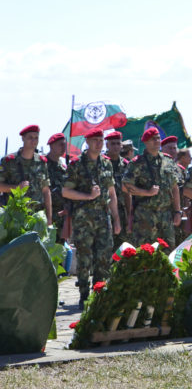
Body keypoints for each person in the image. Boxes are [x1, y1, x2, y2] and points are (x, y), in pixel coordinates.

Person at [62, 129, 121, 308]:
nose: (98, 143)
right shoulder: (77, 164)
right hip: (83, 218)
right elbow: (66, 191)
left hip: (103, 217)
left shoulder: (107, 164)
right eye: (94, 140)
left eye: (100, 140)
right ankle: (84, 295)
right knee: (85, 257)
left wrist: (117, 219)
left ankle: (99, 293)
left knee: (104, 257)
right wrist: (87, 196)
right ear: (87, 141)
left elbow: (112, 192)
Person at [122, 128, 182, 247]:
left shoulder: (168, 161)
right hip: (145, 216)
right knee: (145, 253)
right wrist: (147, 192)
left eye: (158, 138)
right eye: (153, 139)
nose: (157, 141)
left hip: (166, 215)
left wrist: (177, 211)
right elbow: (125, 187)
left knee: (168, 251)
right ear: (146, 142)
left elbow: (175, 187)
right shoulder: (137, 163)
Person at [0, 125, 53, 224]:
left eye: (36, 138)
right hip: (14, 216)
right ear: (23, 139)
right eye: (30, 137)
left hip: (36, 217)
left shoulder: (41, 162)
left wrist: (49, 218)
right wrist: (16, 188)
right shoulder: (9, 161)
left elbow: (46, 190)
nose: (33, 141)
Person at [104, 131, 131, 247]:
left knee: (122, 246)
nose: (115, 146)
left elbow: (129, 192)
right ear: (107, 145)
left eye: (118, 144)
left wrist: (130, 215)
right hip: (104, 211)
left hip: (121, 210)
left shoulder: (126, 165)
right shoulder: (101, 163)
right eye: (112, 144)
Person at [162, 135, 190, 243]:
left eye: (175, 148)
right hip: (164, 213)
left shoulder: (180, 170)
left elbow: (186, 192)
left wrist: (185, 210)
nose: (173, 151)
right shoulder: (159, 167)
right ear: (162, 149)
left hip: (179, 214)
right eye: (170, 148)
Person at [45, 132, 68, 240]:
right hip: (43, 213)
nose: (64, 148)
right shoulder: (41, 164)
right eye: (60, 145)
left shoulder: (64, 168)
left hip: (60, 216)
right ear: (51, 146)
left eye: (65, 145)